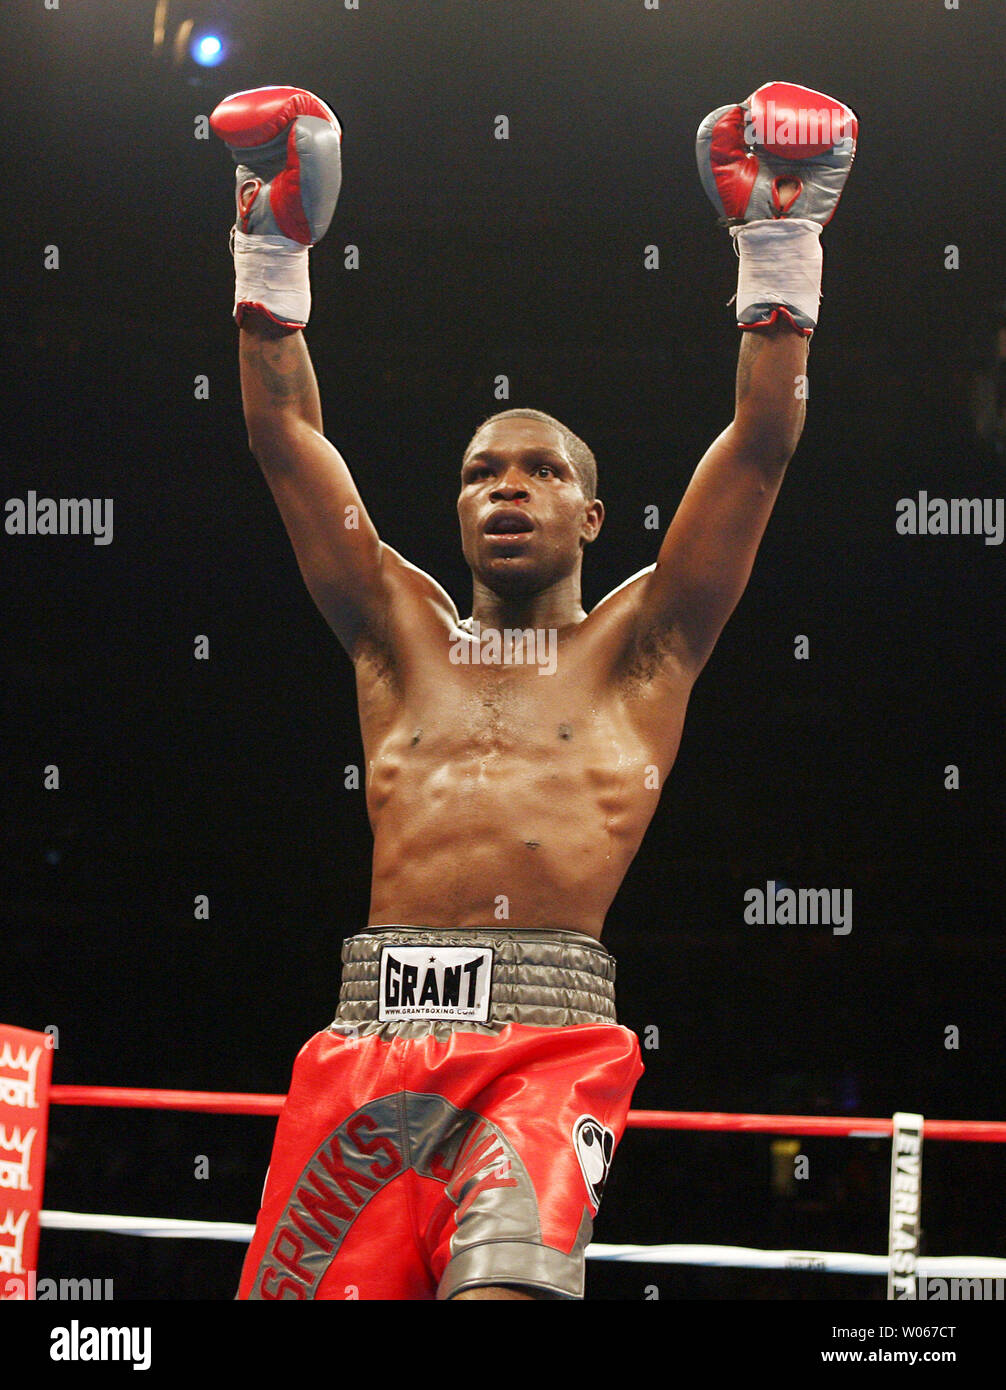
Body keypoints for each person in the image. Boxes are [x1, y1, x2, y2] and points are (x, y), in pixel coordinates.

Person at [209, 80, 856, 1300]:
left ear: (591, 513)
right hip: (369, 1042)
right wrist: (268, 240)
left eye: (539, 469)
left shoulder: (646, 644)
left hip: (544, 1050)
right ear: (454, 509)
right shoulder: (396, 635)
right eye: (479, 472)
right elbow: (286, 441)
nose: (505, 487)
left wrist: (779, 247)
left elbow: (762, 444)